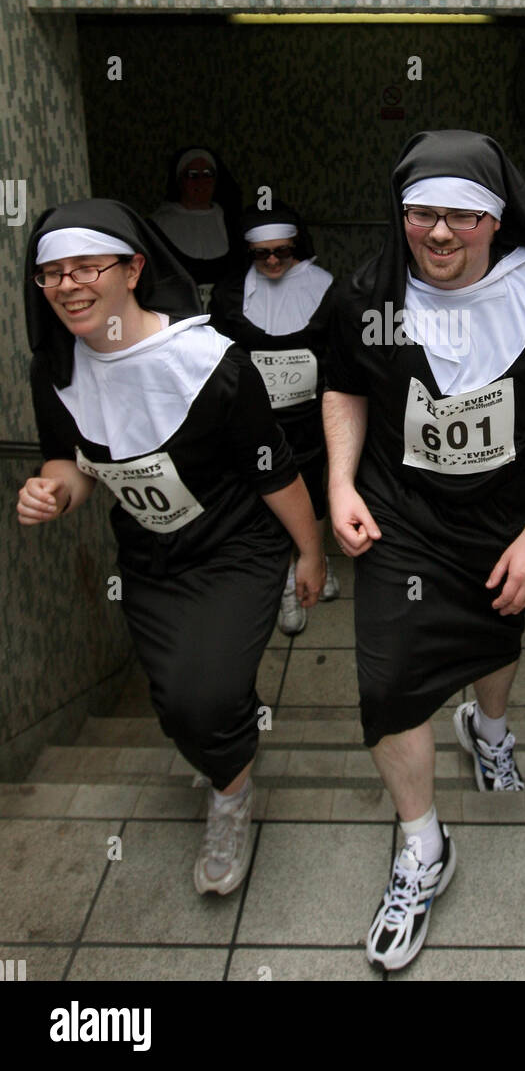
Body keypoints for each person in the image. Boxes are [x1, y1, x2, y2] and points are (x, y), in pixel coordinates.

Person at [322, 129, 525, 972]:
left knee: (496, 637)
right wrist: (338, 484)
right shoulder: (368, 290)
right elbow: (343, 385)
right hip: (400, 512)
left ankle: (490, 728)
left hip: (504, 513)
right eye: (423, 215)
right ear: (401, 216)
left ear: (496, 219)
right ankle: (421, 846)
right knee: (390, 678)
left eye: (463, 218)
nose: (440, 235)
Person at [18, 199, 325, 895]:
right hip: (150, 558)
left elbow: (273, 470)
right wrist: (53, 490)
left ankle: (231, 795)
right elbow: (69, 461)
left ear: (133, 269)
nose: (67, 284)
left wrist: (309, 553)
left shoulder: (210, 363)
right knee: (176, 700)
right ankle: (222, 745)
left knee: (204, 697)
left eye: (86, 267)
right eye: (50, 274)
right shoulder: (55, 369)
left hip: (236, 548)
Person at [211, 199, 340, 635]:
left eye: (281, 252)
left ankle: (315, 560)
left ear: (296, 247)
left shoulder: (327, 287)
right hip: (253, 421)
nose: (270, 261)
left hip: (309, 416)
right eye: (261, 254)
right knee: (267, 492)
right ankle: (288, 581)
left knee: (314, 489)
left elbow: (341, 353)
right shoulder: (229, 294)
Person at [148, 147, 242, 310]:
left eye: (207, 174)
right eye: (192, 175)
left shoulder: (231, 223)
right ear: (179, 180)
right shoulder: (156, 225)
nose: (201, 181)